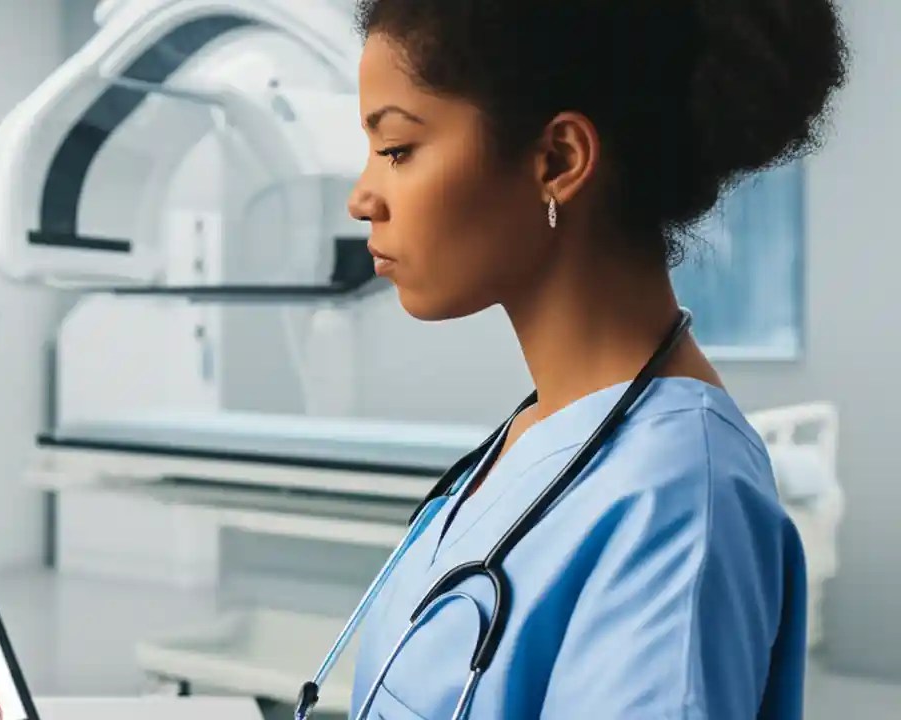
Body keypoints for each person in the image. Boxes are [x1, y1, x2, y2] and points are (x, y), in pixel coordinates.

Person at [343, 1, 848, 718]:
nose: (362, 198)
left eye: (396, 149)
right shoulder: (538, 433)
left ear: (558, 160)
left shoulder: (674, 502)